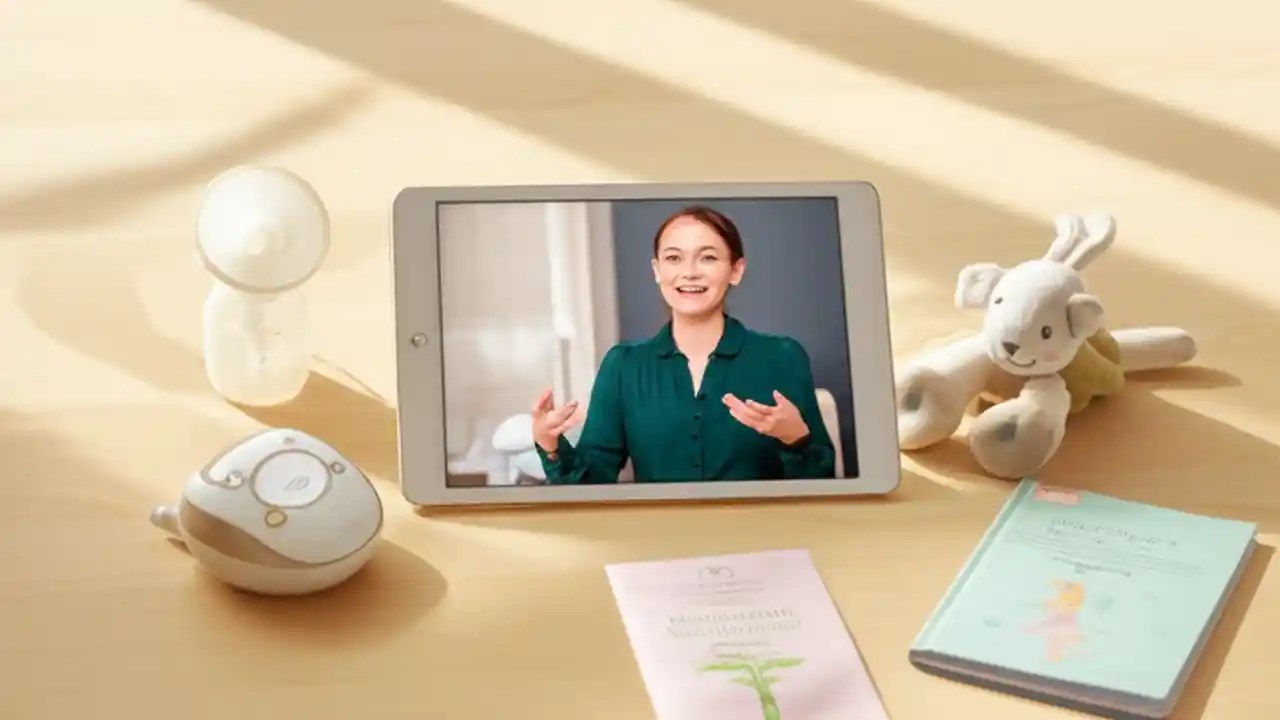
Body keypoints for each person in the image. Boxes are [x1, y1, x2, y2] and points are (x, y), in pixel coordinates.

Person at [530, 205, 837, 484]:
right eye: (674, 258)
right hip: (662, 538)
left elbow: (820, 482)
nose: (689, 272)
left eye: (708, 257)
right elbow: (592, 482)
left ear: (736, 270)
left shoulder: (782, 357)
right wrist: (550, 446)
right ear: (657, 270)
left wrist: (796, 438)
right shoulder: (623, 365)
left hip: (765, 537)